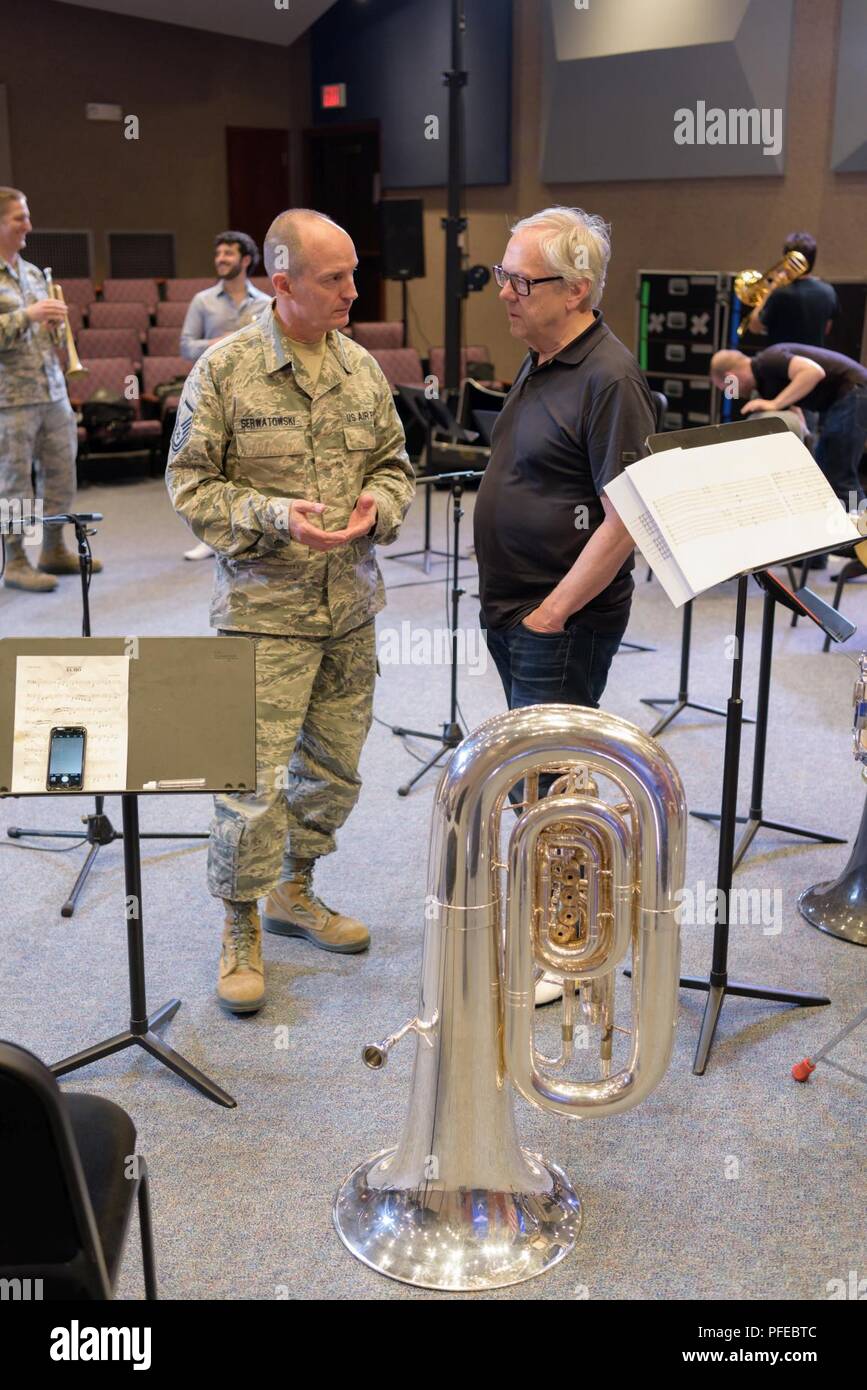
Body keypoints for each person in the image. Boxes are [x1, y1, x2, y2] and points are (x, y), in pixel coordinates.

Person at [166, 208, 414, 1016]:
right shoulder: (225, 370)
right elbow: (190, 486)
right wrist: (276, 516)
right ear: (284, 283)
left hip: (348, 606)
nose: (352, 291)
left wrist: (378, 505)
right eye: (334, 278)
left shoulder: (359, 367)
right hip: (263, 613)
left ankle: (294, 891)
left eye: (352, 274)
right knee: (250, 780)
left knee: (334, 768)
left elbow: (394, 463)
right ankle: (239, 924)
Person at [474, 205, 655, 1006]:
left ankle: (571, 950)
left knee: (557, 792)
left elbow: (628, 517)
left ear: (575, 289)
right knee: (534, 781)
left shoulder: (608, 376)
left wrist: (551, 613)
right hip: (516, 608)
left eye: (520, 279)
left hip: (558, 618)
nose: (503, 291)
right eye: (501, 274)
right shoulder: (543, 355)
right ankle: (557, 926)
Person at [0, 187, 101, 591]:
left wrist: (56, 328)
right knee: (15, 483)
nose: (29, 225)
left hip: (53, 392)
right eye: (18, 218)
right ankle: (16, 560)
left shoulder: (32, 273)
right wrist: (28, 315)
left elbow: (50, 337)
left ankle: (53, 549)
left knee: (61, 474)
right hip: (11, 399)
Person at [180, 231, 271, 560]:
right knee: (211, 468)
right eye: (218, 253)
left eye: (228, 254)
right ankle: (210, 535)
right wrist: (219, 343)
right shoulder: (202, 301)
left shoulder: (265, 303)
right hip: (211, 394)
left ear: (245, 260)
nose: (220, 259)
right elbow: (185, 346)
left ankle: (248, 531)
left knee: (247, 466)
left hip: (253, 396)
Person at [710, 345, 867, 505]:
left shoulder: (769, 359)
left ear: (730, 377)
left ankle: (862, 525)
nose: (731, 394)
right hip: (844, 400)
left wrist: (775, 404)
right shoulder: (765, 385)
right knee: (825, 476)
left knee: (841, 476)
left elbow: (813, 372)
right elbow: (795, 406)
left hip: (855, 392)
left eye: (728, 388)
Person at [745, 232, 839, 348]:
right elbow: (826, 329)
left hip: (781, 361)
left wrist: (771, 288)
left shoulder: (780, 293)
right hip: (813, 362)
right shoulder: (829, 291)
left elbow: (754, 327)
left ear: (788, 259)